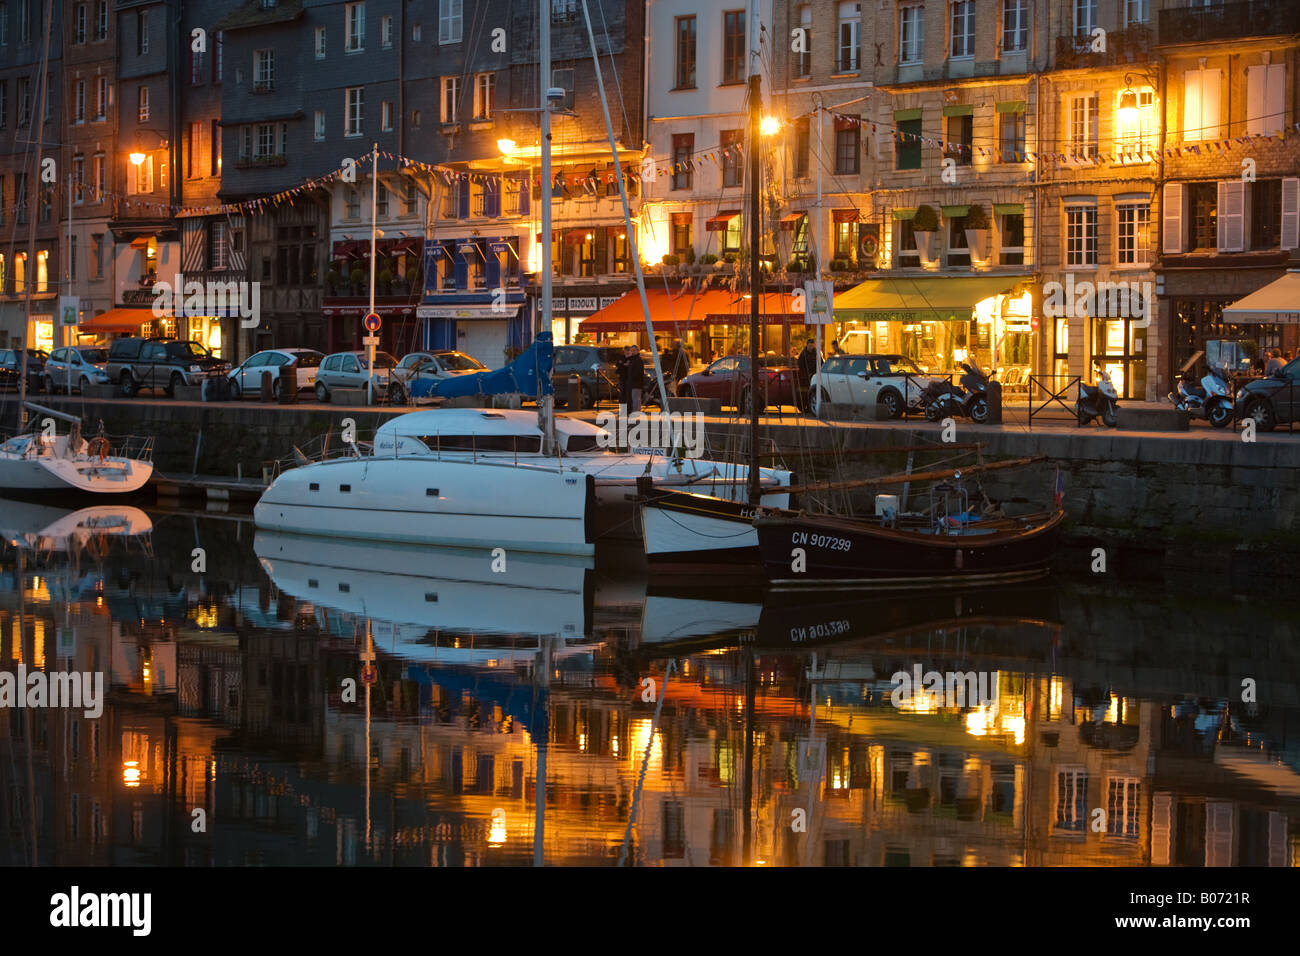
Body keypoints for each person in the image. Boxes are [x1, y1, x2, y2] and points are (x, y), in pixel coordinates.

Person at [617, 343, 644, 412]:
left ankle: (636, 412)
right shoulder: (630, 359)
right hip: (629, 382)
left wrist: (633, 379)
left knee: (635, 398)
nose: (632, 352)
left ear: (638, 351)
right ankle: (628, 411)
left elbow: (638, 372)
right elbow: (619, 365)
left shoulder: (638, 360)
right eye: (631, 350)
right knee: (627, 397)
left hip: (635, 382)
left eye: (634, 350)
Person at [796, 339, 819, 413]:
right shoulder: (803, 354)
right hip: (805, 377)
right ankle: (803, 407)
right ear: (807, 345)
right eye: (809, 346)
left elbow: (820, 362)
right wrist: (805, 374)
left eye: (812, 346)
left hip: (814, 375)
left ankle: (810, 407)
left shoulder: (816, 353)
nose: (811, 347)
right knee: (804, 393)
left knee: (812, 392)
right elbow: (800, 364)